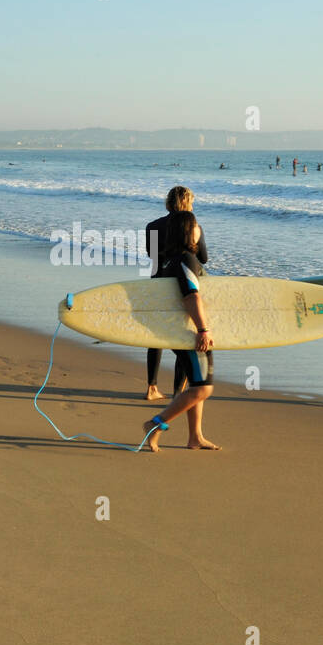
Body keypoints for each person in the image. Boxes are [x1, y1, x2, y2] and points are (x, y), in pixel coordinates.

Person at [140, 211, 219, 451]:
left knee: (197, 384)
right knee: (203, 388)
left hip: (175, 330)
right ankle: (155, 423)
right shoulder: (187, 259)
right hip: (190, 332)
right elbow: (191, 295)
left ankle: (195, 436)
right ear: (189, 231)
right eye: (196, 226)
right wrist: (203, 329)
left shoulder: (168, 259)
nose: (199, 230)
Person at [143, 186, 208, 401]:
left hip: (158, 282)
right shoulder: (194, 226)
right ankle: (178, 393)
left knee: (156, 336)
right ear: (188, 202)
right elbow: (204, 258)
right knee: (184, 334)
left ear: (169, 201)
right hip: (182, 285)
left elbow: (152, 258)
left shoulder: (152, 226)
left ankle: (151, 387)